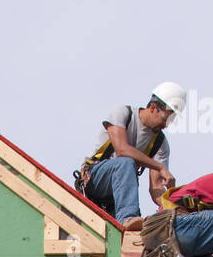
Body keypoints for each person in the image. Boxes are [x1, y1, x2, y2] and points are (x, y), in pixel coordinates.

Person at [77, 82, 187, 228]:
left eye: (171, 120)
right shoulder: (123, 113)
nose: (166, 125)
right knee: (126, 162)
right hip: (95, 179)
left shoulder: (160, 143)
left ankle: (130, 221)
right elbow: (121, 149)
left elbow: (156, 188)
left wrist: (172, 205)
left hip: (118, 199)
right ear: (153, 107)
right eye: (166, 118)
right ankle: (128, 218)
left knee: (134, 238)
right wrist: (160, 166)